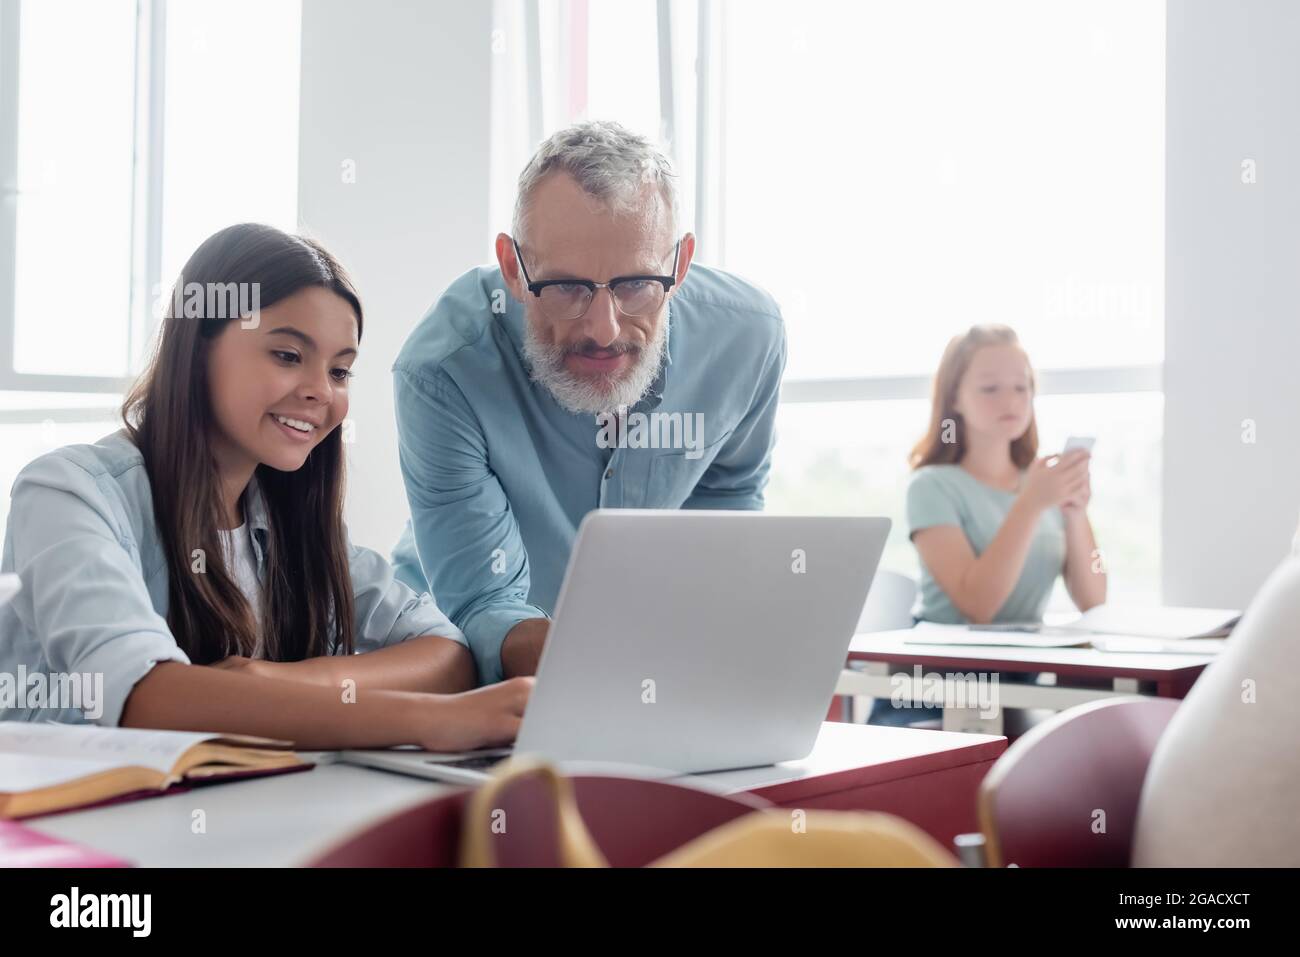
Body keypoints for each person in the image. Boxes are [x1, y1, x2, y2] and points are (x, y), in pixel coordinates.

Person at [0, 224, 529, 750]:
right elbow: (142, 696)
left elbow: (446, 653)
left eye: (341, 371)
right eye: (287, 356)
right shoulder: (67, 493)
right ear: (198, 346)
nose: (321, 391)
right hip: (63, 826)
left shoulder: (288, 522)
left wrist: (275, 681)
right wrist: (426, 720)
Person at [390, 121, 787, 683]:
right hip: (451, 673)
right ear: (513, 268)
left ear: (680, 264)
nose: (603, 330)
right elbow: (485, 606)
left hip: (636, 677)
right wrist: (632, 662)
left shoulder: (748, 338)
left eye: (635, 285)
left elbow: (726, 499)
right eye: (567, 288)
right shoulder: (443, 369)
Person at [869, 324, 1105, 727]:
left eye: (1021, 387)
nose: (1010, 401)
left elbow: (1093, 601)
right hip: (935, 685)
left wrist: (1075, 512)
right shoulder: (932, 486)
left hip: (1016, 682)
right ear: (955, 397)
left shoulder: (1043, 486)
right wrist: (1030, 504)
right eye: (989, 388)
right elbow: (979, 605)